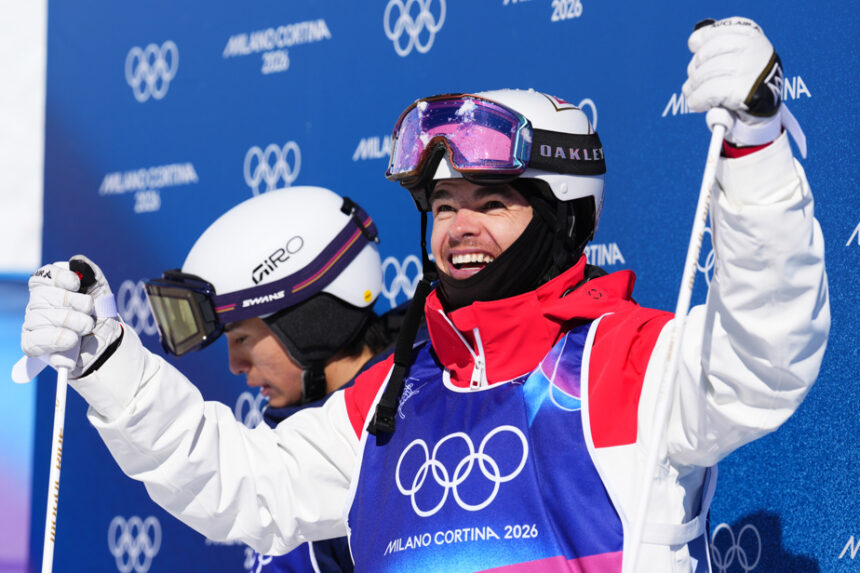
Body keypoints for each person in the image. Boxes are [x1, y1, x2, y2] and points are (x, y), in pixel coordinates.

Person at [21, 18, 829, 573]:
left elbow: (766, 350)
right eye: (443, 208)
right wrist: (106, 361)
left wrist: (754, 149)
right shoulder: (391, 398)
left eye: (490, 204)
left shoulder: (628, 358)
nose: (458, 230)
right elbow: (238, 485)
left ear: (557, 216)